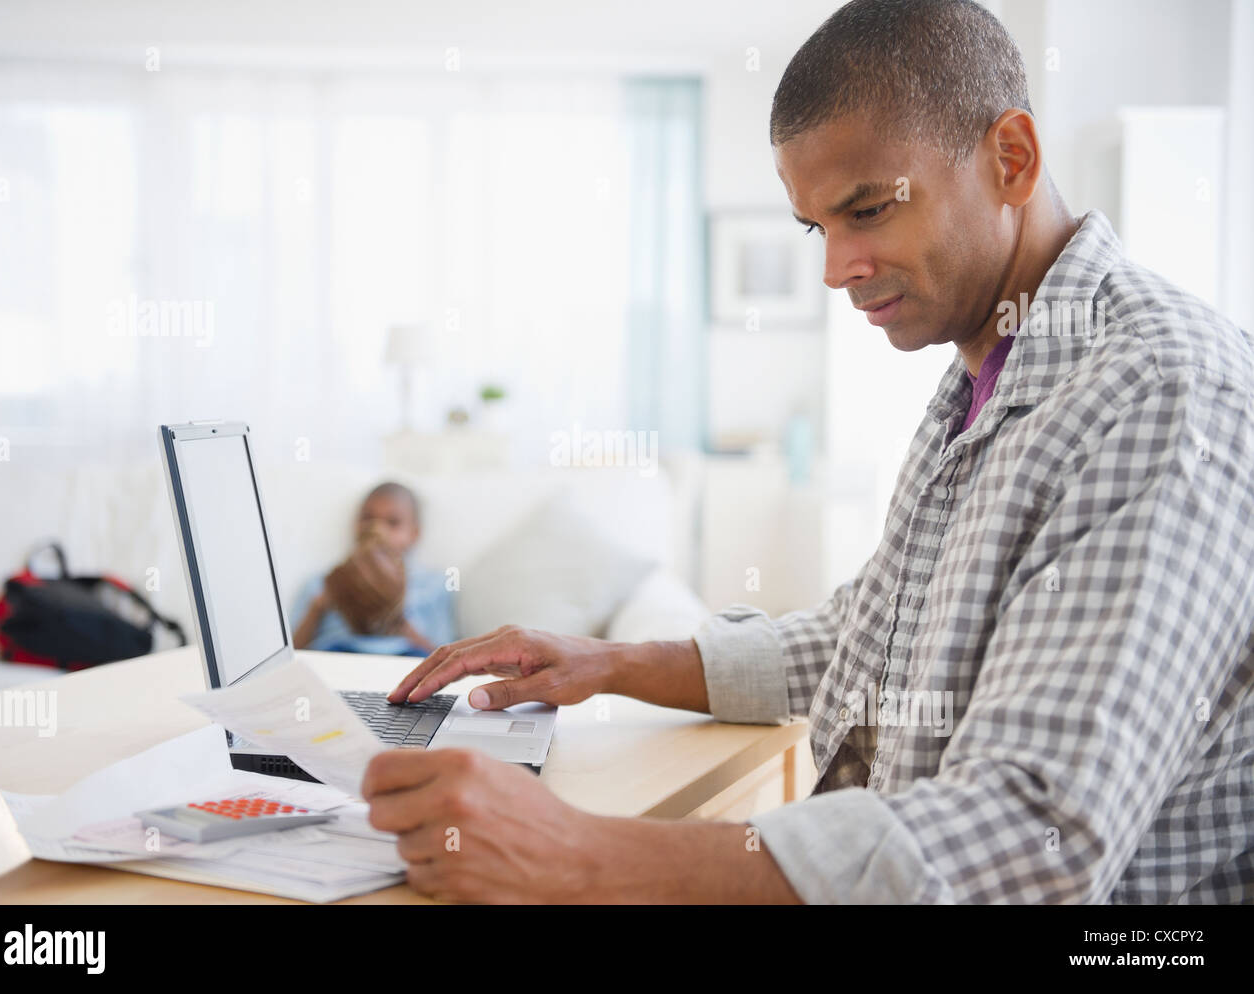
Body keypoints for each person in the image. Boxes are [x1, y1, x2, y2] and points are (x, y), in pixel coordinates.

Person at [361, 0, 1254, 903]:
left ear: (1010, 159)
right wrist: (610, 662)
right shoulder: (986, 377)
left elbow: (1029, 835)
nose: (837, 269)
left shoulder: (1161, 396)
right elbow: (869, 642)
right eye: (817, 227)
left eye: (867, 211)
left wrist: (580, 857)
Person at [291, 482, 454, 657]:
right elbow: (291, 653)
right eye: (368, 518)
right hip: (337, 654)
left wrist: (397, 620)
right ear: (355, 524)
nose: (376, 529)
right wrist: (319, 607)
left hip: (404, 658)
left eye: (393, 522)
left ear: (414, 533)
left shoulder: (434, 585)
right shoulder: (321, 581)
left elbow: (447, 658)